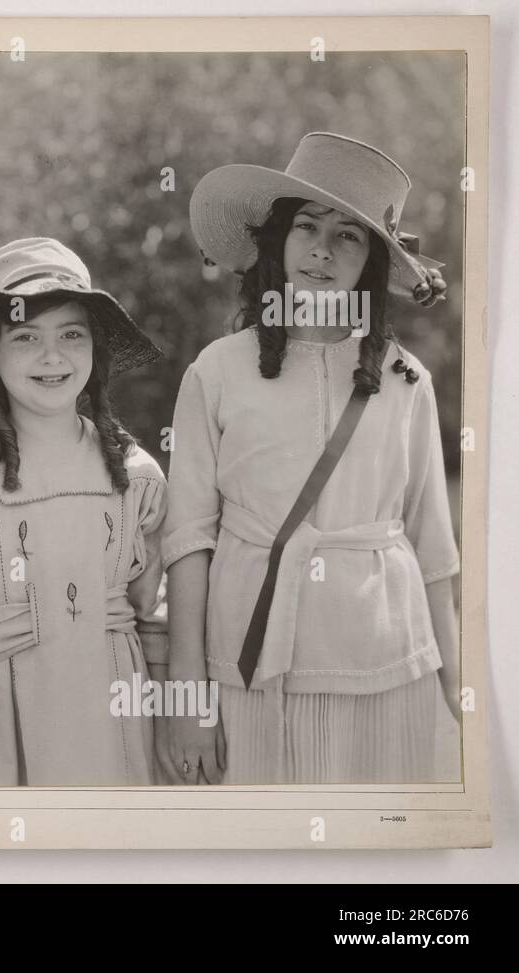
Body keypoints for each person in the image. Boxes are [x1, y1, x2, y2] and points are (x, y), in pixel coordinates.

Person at [163, 132, 457, 785]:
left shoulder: (406, 379)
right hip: (251, 658)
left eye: (349, 234)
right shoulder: (217, 371)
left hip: (384, 660)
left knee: (374, 866)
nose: (323, 249)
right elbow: (187, 541)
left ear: (373, 263)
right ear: (277, 241)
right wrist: (188, 699)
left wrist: (461, 699)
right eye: (307, 226)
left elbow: (435, 553)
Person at [0, 237, 168, 786]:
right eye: (25, 337)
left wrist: (173, 744)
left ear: (96, 350)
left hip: (117, 731)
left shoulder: (137, 475)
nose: (53, 357)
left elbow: (159, 621)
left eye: (72, 334)